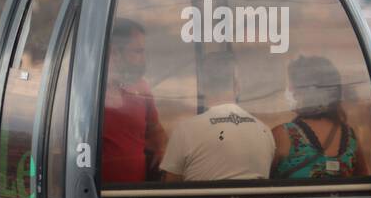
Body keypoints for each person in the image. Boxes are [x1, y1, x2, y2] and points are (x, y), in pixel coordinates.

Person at [160, 51, 274, 183]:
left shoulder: (186, 131)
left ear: (201, 87)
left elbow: (171, 187)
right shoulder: (265, 132)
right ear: (237, 87)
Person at [272, 55, 367, 180]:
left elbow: (262, 185)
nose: (290, 91)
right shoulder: (350, 137)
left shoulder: (283, 135)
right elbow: (363, 184)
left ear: (303, 90)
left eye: (292, 85)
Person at [101, 18, 166, 184]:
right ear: (114, 52)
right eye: (137, 52)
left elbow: (155, 129)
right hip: (98, 196)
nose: (143, 59)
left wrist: (161, 149)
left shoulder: (141, 87)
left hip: (135, 196)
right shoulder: (89, 92)